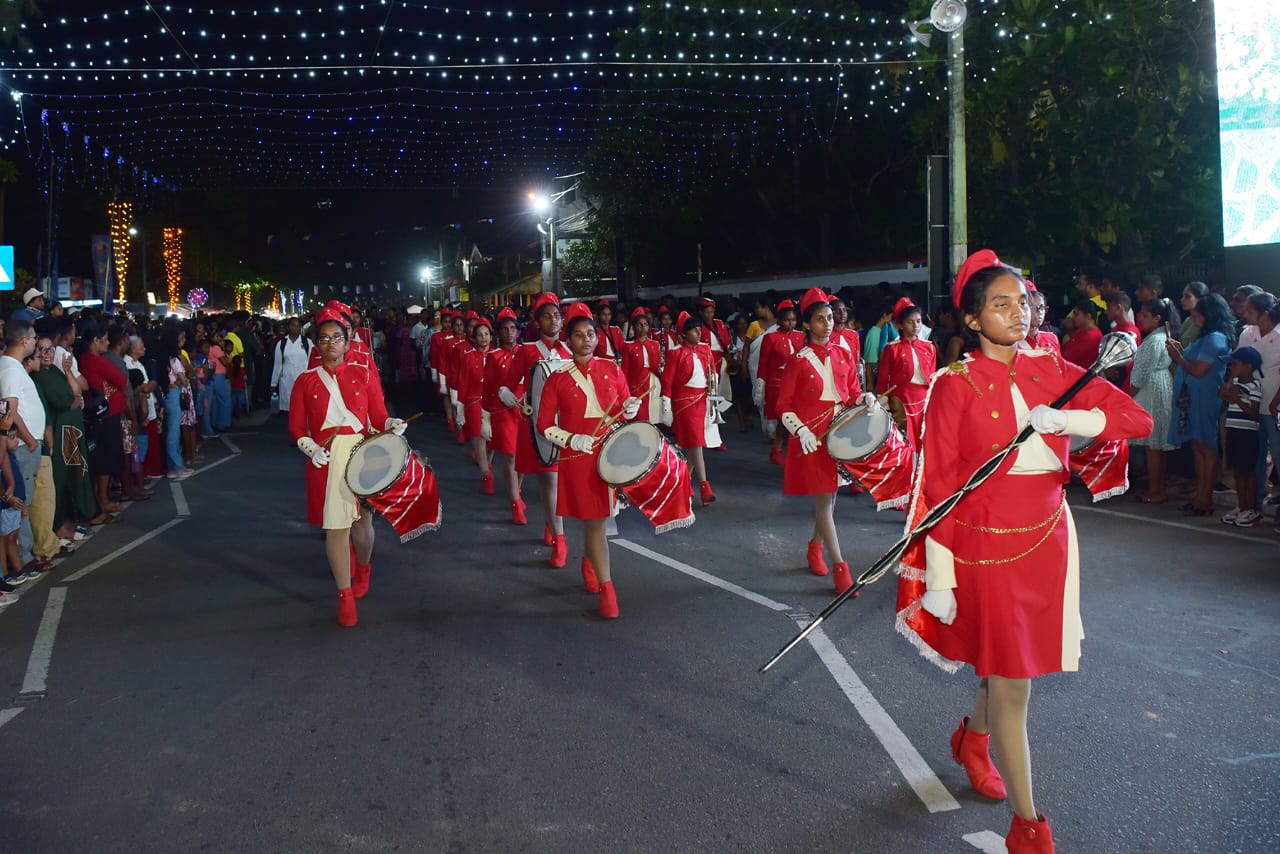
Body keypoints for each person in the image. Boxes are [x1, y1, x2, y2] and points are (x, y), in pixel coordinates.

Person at [896, 250, 1152, 854]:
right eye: (1001, 304)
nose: (1020, 313)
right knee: (1014, 681)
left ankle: (972, 741)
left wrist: (1072, 419)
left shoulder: (1053, 367)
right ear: (975, 321)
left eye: (1024, 301)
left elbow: (1136, 420)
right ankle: (1028, 826)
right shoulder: (952, 386)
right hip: (985, 548)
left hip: (1050, 540)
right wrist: (939, 574)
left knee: (1007, 662)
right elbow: (939, 488)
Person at [288, 308, 405, 627]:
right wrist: (310, 448)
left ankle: (364, 567)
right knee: (336, 529)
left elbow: (378, 416)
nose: (330, 344)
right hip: (325, 458)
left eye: (337, 337)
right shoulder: (305, 381)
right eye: (324, 338)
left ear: (348, 339)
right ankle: (345, 596)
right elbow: (297, 428)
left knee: (362, 524)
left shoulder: (363, 373)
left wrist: (391, 423)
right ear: (316, 343)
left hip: (360, 454)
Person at [535, 302, 640, 618]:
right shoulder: (557, 377)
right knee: (597, 523)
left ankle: (589, 561)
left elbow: (623, 404)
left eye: (590, 334)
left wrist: (631, 408)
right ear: (569, 341)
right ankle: (608, 590)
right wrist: (570, 438)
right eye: (578, 335)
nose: (586, 340)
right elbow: (543, 425)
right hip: (578, 457)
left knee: (603, 521)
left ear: (597, 337)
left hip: (612, 454)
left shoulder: (612, 368)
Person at [778, 288, 872, 593]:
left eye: (830, 317)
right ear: (807, 324)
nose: (828, 323)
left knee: (830, 499)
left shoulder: (844, 353)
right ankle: (841, 568)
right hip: (813, 439)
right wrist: (800, 430)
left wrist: (866, 399)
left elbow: (853, 392)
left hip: (840, 433)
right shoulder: (798, 361)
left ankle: (815, 547)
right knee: (824, 498)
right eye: (819, 319)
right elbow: (783, 405)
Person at [498, 293, 573, 566]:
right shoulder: (528, 351)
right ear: (537, 321)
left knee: (561, 482)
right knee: (550, 480)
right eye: (546, 315)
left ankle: (552, 525)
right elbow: (506, 384)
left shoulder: (572, 349)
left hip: (569, 426)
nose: (553, 320)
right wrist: (510, 398)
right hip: (538, 426)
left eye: (556, 315)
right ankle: (560, 540)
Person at [1167, 292, 1236, 516]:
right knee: (1197, 445)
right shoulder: (1204, 336)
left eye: (1199, 311)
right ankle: (1200, 496)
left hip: (1205, 396)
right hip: (1194, 397)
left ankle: (1205, 499)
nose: (1194, 314)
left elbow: (1199, 369)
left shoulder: (1215, 338)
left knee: (1206, 446)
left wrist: (1179, 358)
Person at [0, 320, 48, 573]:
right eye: (33, 336)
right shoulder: (9, 368)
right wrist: (29, 439)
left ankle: (23, 555)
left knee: (25, 500)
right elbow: (9, 410)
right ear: (23, 341)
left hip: (26, 443)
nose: (35, 340)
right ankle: (22, 557)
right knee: (22, 502)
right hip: (21, 445)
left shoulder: (14, 367)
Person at [660, 311, 719, 506]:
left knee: (696, 444)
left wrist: (714, 381)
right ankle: (704, 485)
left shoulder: (704, 349)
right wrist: (666, 407)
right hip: (685, 403)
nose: (698, 332)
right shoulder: (675, 352)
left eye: (699, 329)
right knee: (695, 443)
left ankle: (682, 482)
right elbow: (667, 381)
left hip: (703, 400)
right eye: (694, 330)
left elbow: (711, 370)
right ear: (684, 334)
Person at [1129, 299, 1179, 504]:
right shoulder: (1161, 336)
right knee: (1157, 444)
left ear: (1158, 318)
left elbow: (1140, 375)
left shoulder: (1154, 340)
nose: (1141, 318)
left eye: (1145, 315)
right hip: (1160, 385)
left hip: (1152, 389)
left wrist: (1128, 396)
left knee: (1153, 445)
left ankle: (1155, 489)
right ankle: (1157, 487)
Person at [76, 323, 128, 519]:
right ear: (95, 341)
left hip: (96, 414)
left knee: (101, 459)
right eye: (104, 339)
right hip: (106, 413)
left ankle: (101, 498)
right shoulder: (97, 361)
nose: (107, 343)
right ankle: (102, 499)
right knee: (106, 459)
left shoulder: (83, 359)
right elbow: (122, 380)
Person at [1238, 293, 1280, 513]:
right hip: (1249, 405)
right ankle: (1254, 505)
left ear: (1265, 314)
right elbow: (1237, 363)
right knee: (1254, 456)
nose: (1245, 314)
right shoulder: (1247, 333)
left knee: (1278, 454)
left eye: (1250, 311)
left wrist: (1274, 404)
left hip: (1274, 408)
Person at [876, 298, 936, 452]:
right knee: (905, 443)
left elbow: (933, 376)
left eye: (918, 321)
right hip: (901, 400)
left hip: (924, 399)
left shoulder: (929, 347)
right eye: (910, 322)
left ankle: (923, 473)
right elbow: (883, 378)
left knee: (927, 441)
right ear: (901, 325)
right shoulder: (892, 348)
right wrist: (883, 404)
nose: (916, 326)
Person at [1218, 347, 1265, 527]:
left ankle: (1252, 508)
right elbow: (1221, 394)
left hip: (1247, 433)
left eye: (1235, 364)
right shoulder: (1235, 381)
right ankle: (1241, 505)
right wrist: (1229, 388)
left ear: (1248, 366)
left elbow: (1254, 412)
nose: (1231, 367)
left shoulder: (1255, 386)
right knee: (1237, 470)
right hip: (1234, 430)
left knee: (1248, 472)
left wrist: (1237, 399)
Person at [483, 308, 523, 520]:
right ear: (498, 334)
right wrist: (486, 418)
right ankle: (515, 502)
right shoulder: (493, 357)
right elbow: (488, 388)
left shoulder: (527, 353)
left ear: (518, 332)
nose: (509, 333)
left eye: (513, 329)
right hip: (503, 413)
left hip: (524, 412)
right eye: (505, 329)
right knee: (511, 457)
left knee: (524, 459)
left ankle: (518, 490)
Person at [755, 300, 805, 465]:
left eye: (793, 320)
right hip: (777, 386)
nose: (790, 323)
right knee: (785, 420)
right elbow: (763, 363)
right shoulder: (771, 338)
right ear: (779, 321)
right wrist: (760, 388)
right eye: (786, 320)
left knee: (792, 421)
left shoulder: (802, 336)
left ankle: (778, 449)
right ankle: (780, 450)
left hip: (798, 385)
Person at [456, 317, 496, 494]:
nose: (483, 338)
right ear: (474, 337)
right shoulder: (468, 357)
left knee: (493, 440)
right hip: (474, 402)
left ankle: (487, 462)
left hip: (495, 403)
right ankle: (486, 474)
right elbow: (462, 384)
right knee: (479, 439)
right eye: (480, 335)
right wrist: (460, 411)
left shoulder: (498, 355)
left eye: (486, 334)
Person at [621, 307, 661, 423]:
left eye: (645, 324)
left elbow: (658, 366)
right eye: (639, 325)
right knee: (640, 413)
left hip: (653, 382)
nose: (643, 327)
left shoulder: (655, 344)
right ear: (633, 327)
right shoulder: (629, 346)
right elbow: (625, 370)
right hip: (636, 384)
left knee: (653, 412)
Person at [270, 316, 311, 414]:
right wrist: (273, 384)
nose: (296, 328)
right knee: (289, 409)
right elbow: (278, 365)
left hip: (303, 379)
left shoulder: (307, 343)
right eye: (293, 325)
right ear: (288, 327)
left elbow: (311, 362)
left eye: (298, 326)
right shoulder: (282, 344)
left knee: (303, 408)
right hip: (287, 379)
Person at [1060, 298, 1103, 369]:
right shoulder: (1082, 330)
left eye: (1076, 314)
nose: (1073, 317)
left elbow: (1067, 357)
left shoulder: (1092, 337)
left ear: (1088, 316)